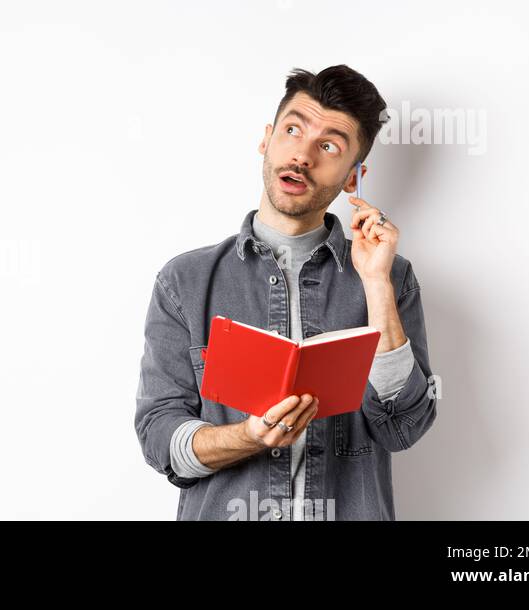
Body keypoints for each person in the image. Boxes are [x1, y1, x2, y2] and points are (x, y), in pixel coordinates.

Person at [133, 65, 439, 521]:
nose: (302, 155)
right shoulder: (184, 281)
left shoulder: (392, 278)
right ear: (267, 139)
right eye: (293, 130)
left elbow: (403, 427)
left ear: (354, 176)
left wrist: (376, 283)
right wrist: (249, 437)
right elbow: (160, 439)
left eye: (329, 145)